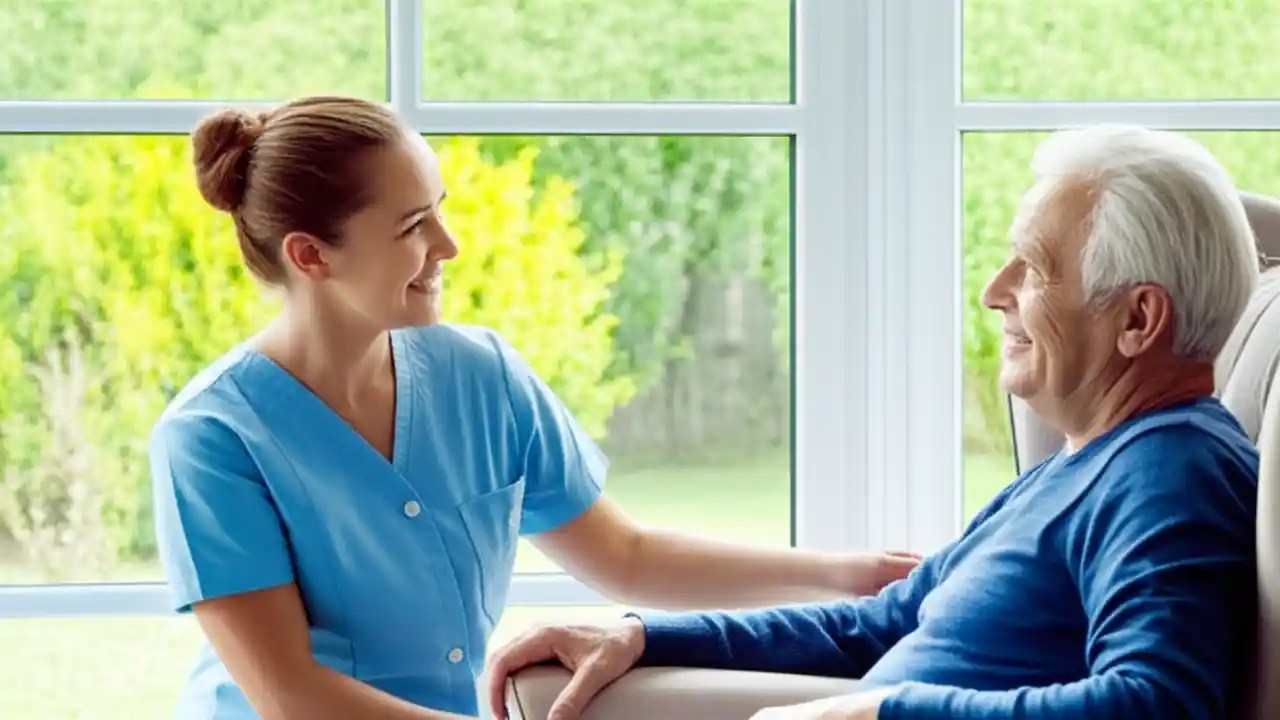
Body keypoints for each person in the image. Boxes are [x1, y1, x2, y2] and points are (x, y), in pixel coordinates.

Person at [147, 95, 920, 720]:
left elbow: (627, 556)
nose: (447, 246)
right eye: (413, 227)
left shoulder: (480, 375)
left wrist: (849, 574)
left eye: (438, 211)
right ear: (312, 255)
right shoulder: (212, 438)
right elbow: (293, 698)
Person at [485, 124, 1263, 720]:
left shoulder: (1173, 474)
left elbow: (1158, 702)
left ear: (1138, 319)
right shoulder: (1084, 463)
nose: (996, 291)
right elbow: (878, 626)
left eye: (1033, 267)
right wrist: (646, 636)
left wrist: (885, 710)